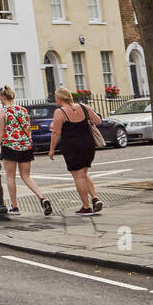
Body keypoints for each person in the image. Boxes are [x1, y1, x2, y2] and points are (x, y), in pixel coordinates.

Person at [47, 87, 105, 216]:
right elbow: (98, 121)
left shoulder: (60, 112)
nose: (55, 100)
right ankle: (95, 198)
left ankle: (86, 207)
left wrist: (51, 150)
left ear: (60, 98)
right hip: (88, 144)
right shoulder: (83, 107)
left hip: (72, 147)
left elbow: (56, 133)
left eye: (56, 97)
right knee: (83, 173)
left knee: (78, 176)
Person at [0, 86, 51, 215]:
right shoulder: (24, 110)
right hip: (26, 146)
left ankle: (15, 207)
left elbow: (0, 133)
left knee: (10, 176)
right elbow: (27, 129)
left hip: (10, 146)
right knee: (26, 176)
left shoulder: (2, 112)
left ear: (3, 97)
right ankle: (42, 197)